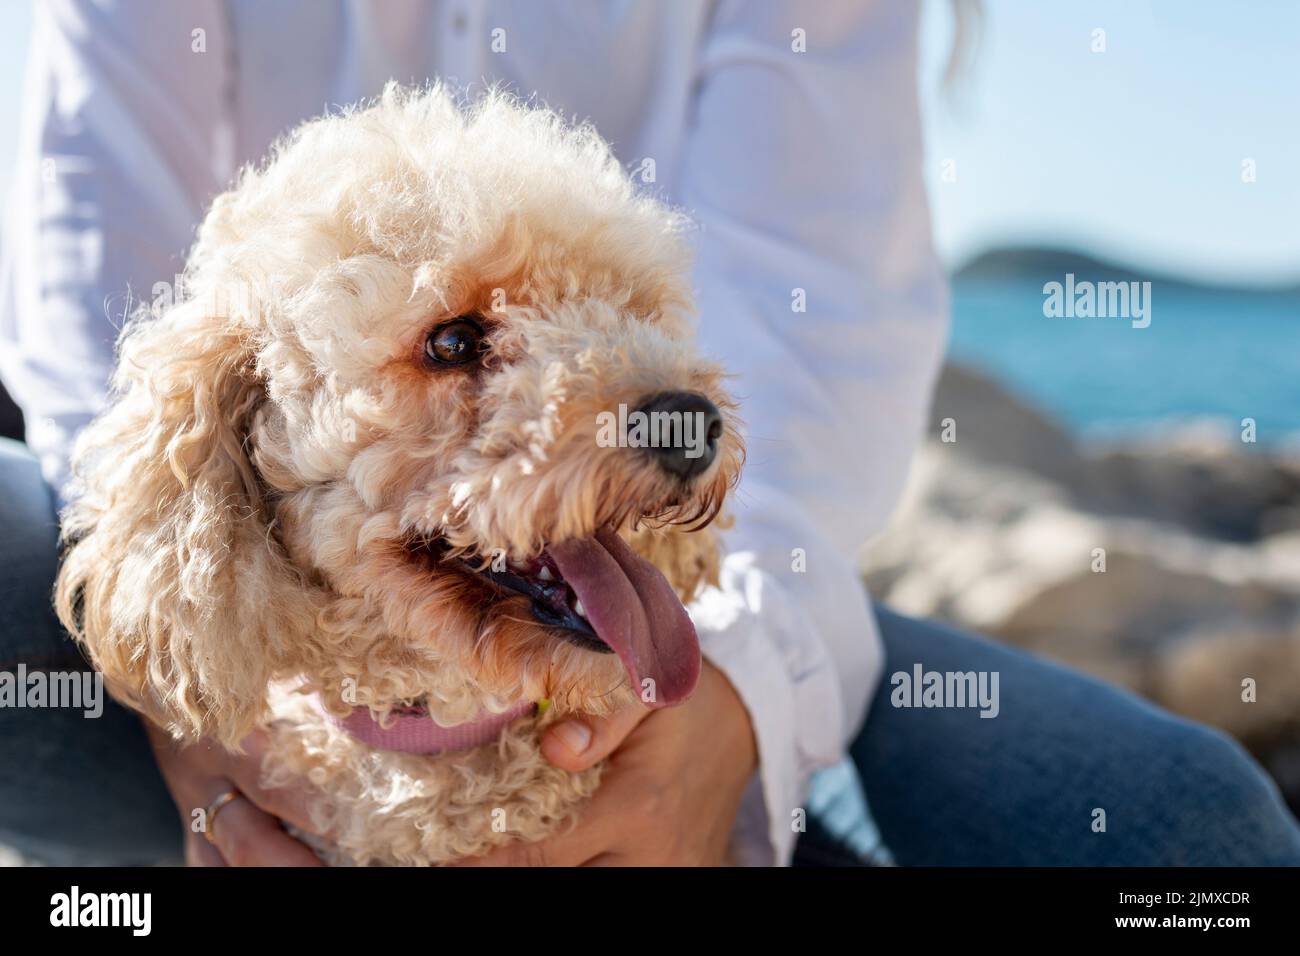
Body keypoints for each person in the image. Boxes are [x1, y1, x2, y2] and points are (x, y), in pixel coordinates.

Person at [2, 0, 1297, 867]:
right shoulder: (212, 429)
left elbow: (816, 341)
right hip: (198, 540)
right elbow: (89, 276)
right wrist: (191, 724)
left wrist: (738, 697)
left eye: (621, 317)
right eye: (459, 346)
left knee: (1200, 837)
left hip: (724, 576)